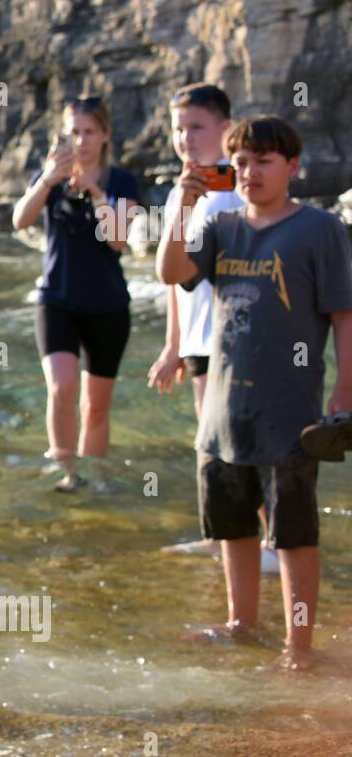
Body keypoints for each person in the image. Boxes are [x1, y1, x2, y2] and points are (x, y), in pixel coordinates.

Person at [156, 115, 352, 670]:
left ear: (292, 166)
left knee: (291, 532)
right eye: (239, 162)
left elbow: (344, 315)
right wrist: (182, 209)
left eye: (263, 161)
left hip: (289, 408)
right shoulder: (223, 227)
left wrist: (345, 390)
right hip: (222, 410)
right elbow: (171, 273)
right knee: (232, 523)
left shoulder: (320, 230)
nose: (249, 172)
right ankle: (240, 625)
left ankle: (300, 646)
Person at [145, 84, 279, 569]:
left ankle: (266, 541)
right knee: (211, 439)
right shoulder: (186, 191)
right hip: (200, 338)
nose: (185, 137)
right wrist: (172, 346)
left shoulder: (233, 194)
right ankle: (223, 536)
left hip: (234, 335)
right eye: (178, 128)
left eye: (196, 127)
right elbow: (173, 279)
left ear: (226, 129)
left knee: (240, 440)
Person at [12, 96, 140, 492]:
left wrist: (96, 192)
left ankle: (95, 476)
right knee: (61, 387)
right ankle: (68, 472)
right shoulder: (50, 175)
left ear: (104, 135)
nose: (81, 140)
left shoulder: (122, 181)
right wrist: (48, 179)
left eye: (89, 131)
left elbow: (119, 242)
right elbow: (20, 221)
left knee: (96, 406)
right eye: (73, 132)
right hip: (57, 300)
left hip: (108, 305)